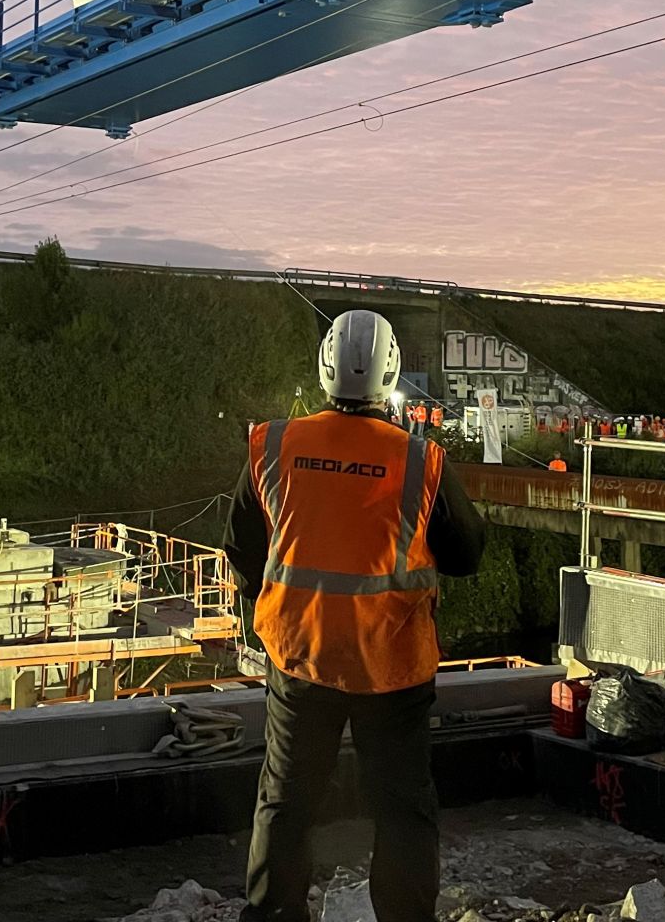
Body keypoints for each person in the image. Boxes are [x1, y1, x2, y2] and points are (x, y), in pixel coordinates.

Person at [223, 310, 486, 922]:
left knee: (286, 801)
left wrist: (261, 609)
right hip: (391, 663)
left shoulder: (275, 445)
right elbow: (466, 555)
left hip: (301, 654)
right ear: (390, 373)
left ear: (324, 369)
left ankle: (271, 915)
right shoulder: (420, 461)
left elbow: (241, 545)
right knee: (402, 810)